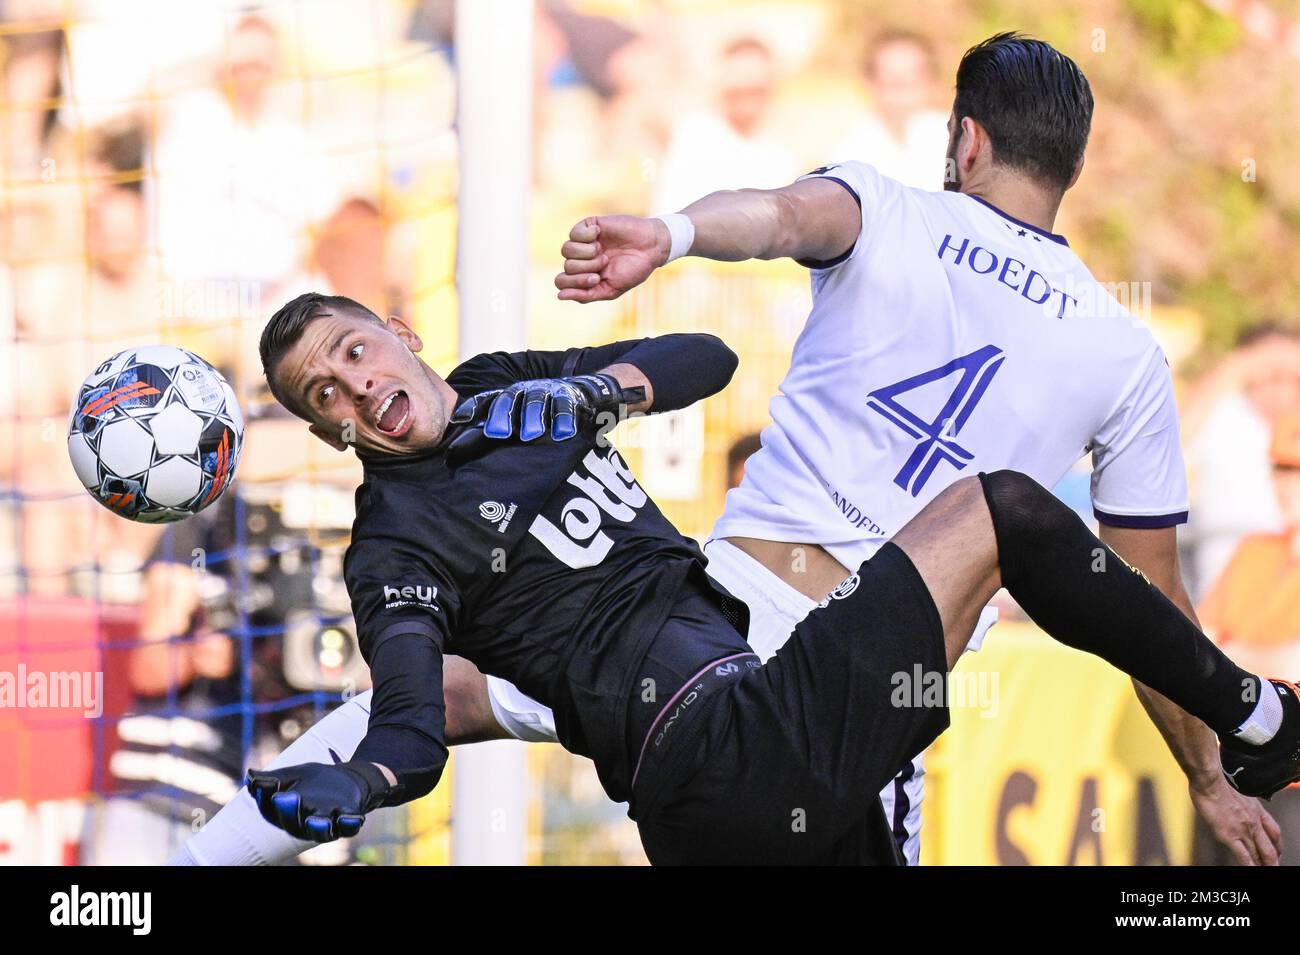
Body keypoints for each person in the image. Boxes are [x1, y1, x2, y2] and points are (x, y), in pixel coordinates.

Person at [179, 292, 1295, 865]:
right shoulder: (391, 548)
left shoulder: (503, 384)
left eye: (354, 351)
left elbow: (704, 357)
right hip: (721, 743)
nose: (355, 386)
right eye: (323, 391)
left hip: (733, 788)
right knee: (994, 507)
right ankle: (1256, 714)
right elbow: (418, 717)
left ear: (399, 332)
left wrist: (595, 392)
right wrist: (366, 786)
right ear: (330, 435)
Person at [543, 31, 1279, 864]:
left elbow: (776, 215)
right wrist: (1208, 774)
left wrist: (670, 233)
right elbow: (1145, 598)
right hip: (871, 692)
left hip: (716, 626)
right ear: (1071, 170)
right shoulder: (1128, 356)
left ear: (966, 139)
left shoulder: (882, 206)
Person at [833, 30, 950, 190]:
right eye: (888, 76)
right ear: (869, 82)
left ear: (932, 81)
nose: (899, 84)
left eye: (910, 76)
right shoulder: (848, 145)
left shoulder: (960, 138)